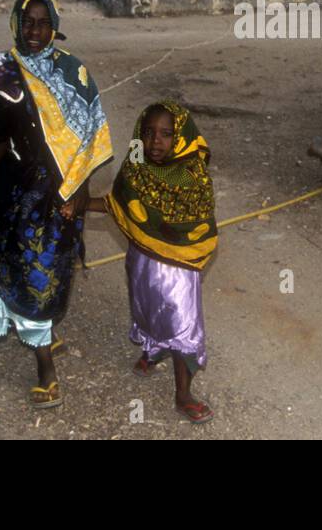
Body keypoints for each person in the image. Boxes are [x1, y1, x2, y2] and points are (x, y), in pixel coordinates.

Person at [0, 0, 112, 409]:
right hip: (20, 191)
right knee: (30, 268)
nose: (34, 30)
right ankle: (45, 361)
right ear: (15, 23)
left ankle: (43, 330)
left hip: (63, 191)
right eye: (27, 22)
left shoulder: (75, 72)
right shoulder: (4, 77)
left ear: (54, 27)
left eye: (42, 22)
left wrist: (81, 192)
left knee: (52, 267)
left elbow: (91, 136)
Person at [91, 99, 217, 424]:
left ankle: (183, 394)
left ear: (181, 136)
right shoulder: (137, 163)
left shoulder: (192, 175)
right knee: (145, 307)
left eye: (165, 134)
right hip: (141, 260)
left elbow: (197, 225)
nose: (155, 141)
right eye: (148, 133)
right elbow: (118, 202)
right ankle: (152, 349)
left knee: (182, 324)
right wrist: (79, 205)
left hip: (178, 270)